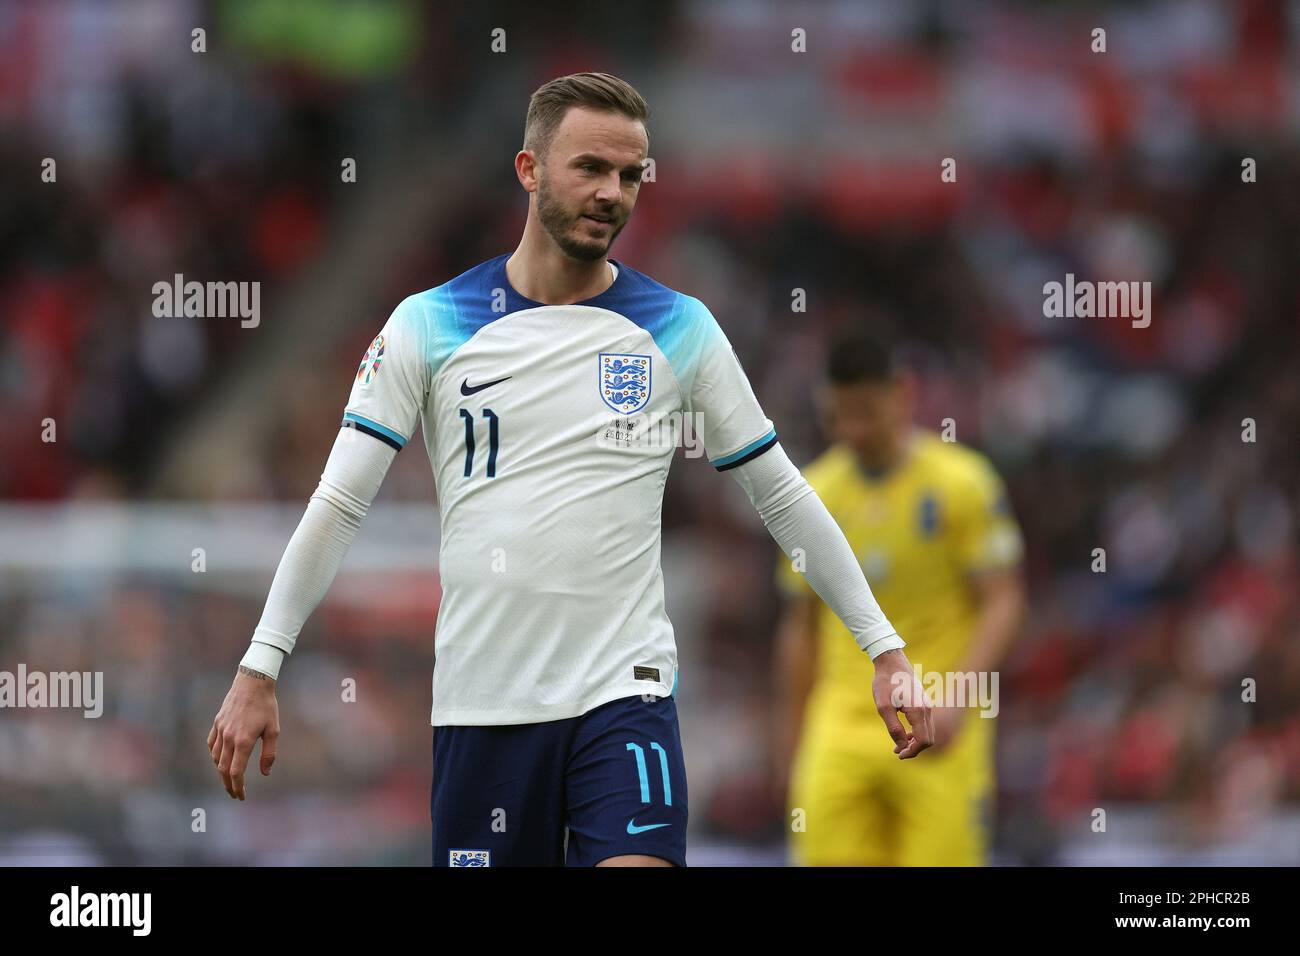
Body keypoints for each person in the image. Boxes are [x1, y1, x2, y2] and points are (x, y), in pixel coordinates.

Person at [208, 72, 933, 867]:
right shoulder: (429, 324)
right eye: (590, 168)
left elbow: (782, 495)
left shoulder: (679, 329)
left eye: (629, 175)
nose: (612, 193)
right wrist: (260, 664)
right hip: (484, 709)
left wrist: (885, 650)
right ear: (529, 170)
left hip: (624, 696)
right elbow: (341, 503)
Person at [774, 330, 1026, 866]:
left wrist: (960, 696)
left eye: (866, 411)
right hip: (840, 725)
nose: (853, 430)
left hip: (937, 718)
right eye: (839, 415)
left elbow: (1003, 601)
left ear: (903, 393)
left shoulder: (963, 484)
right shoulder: (811, 496)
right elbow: (800, 626)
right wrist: (795, 740)